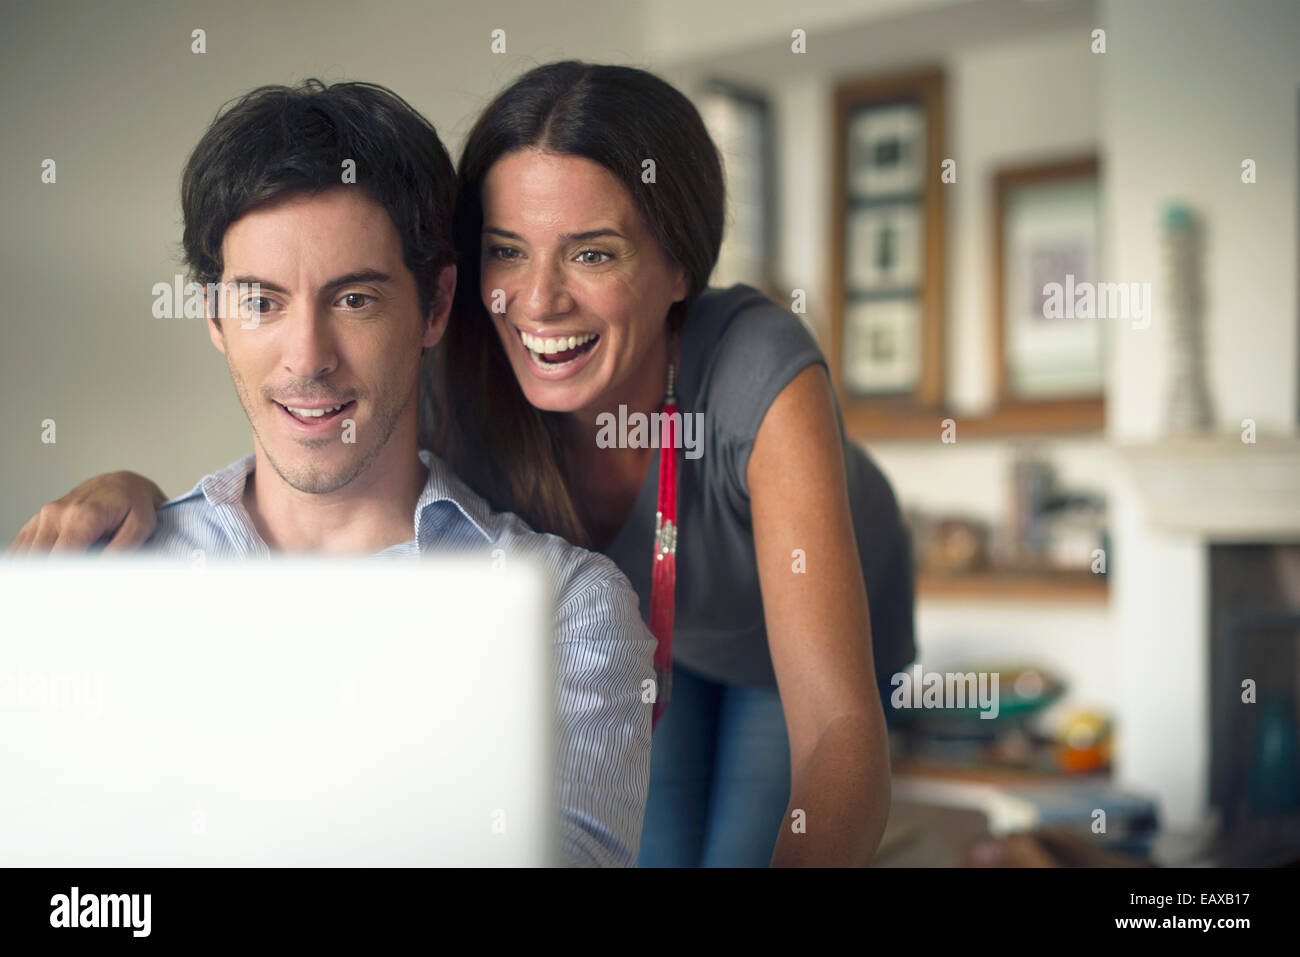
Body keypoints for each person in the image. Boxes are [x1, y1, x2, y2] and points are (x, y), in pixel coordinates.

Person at [12, 62, 916, 868]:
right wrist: (137, 499)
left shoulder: (754, 371)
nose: (539, 301)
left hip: (785, 628)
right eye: (507, 251)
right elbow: (317, 438)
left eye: (593, 252)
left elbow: (837, 729)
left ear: (679, 263)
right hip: (651, 639)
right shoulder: (447, 357)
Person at [6, 79, 655, 867]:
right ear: (214, 315)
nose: (307, 357)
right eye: (262, 301)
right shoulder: (103, 573)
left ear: (438, 304)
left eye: (353, 299)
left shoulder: (569, 612)